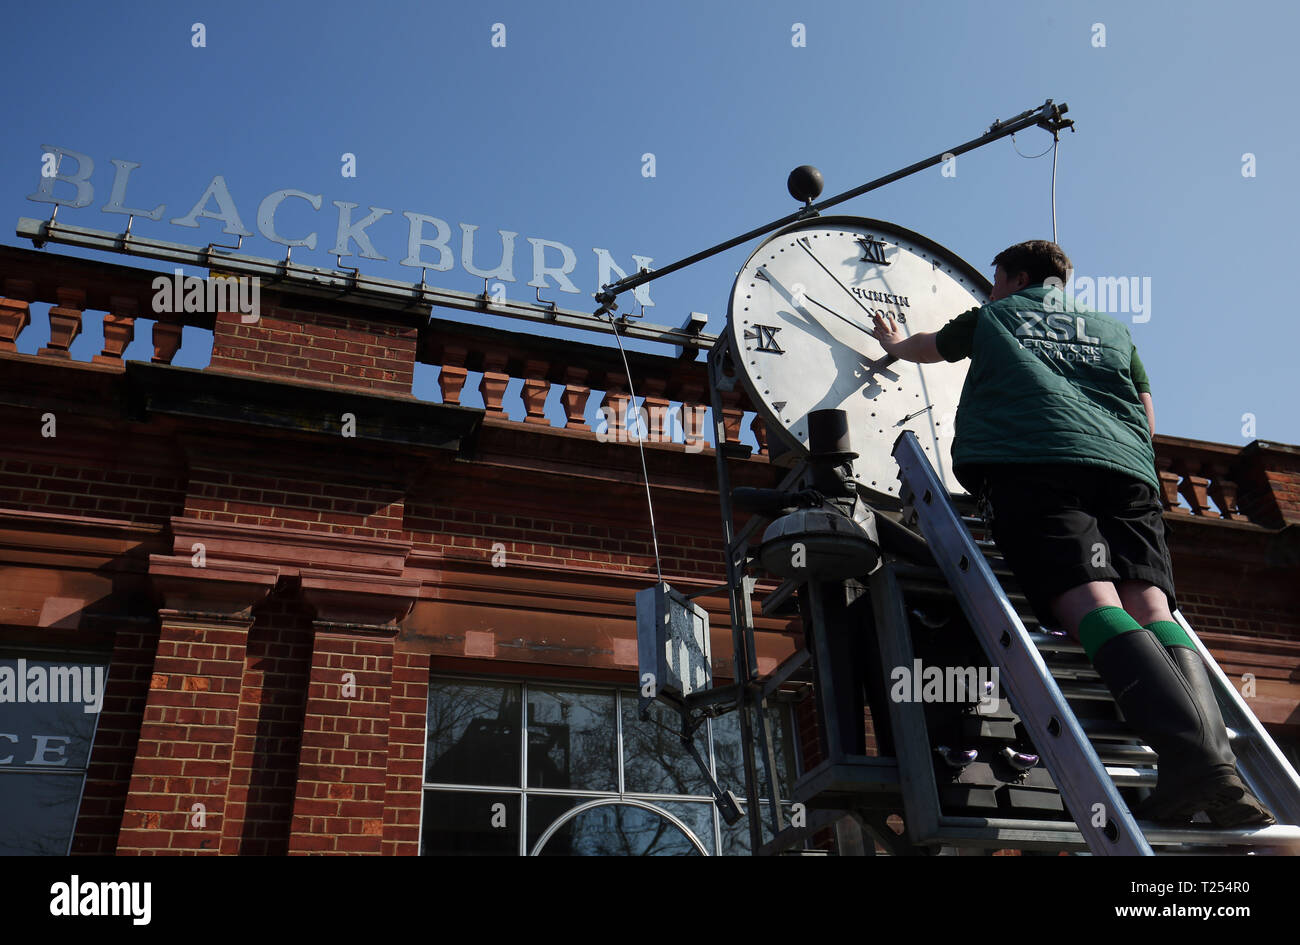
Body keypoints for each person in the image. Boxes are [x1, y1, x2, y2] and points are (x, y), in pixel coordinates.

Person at [868, 240, 1274, 828]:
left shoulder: (996, 316)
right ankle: (1222, 771)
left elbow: (927, 349)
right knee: (1151, 605)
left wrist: (891, 343)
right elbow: (1147, 414)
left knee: (1090, 601)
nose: (993, 289)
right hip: (1128, 471)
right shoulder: (1114, 330)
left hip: (1034, 464)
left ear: (1017, 276)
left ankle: (1195, 762)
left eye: (997, 279)